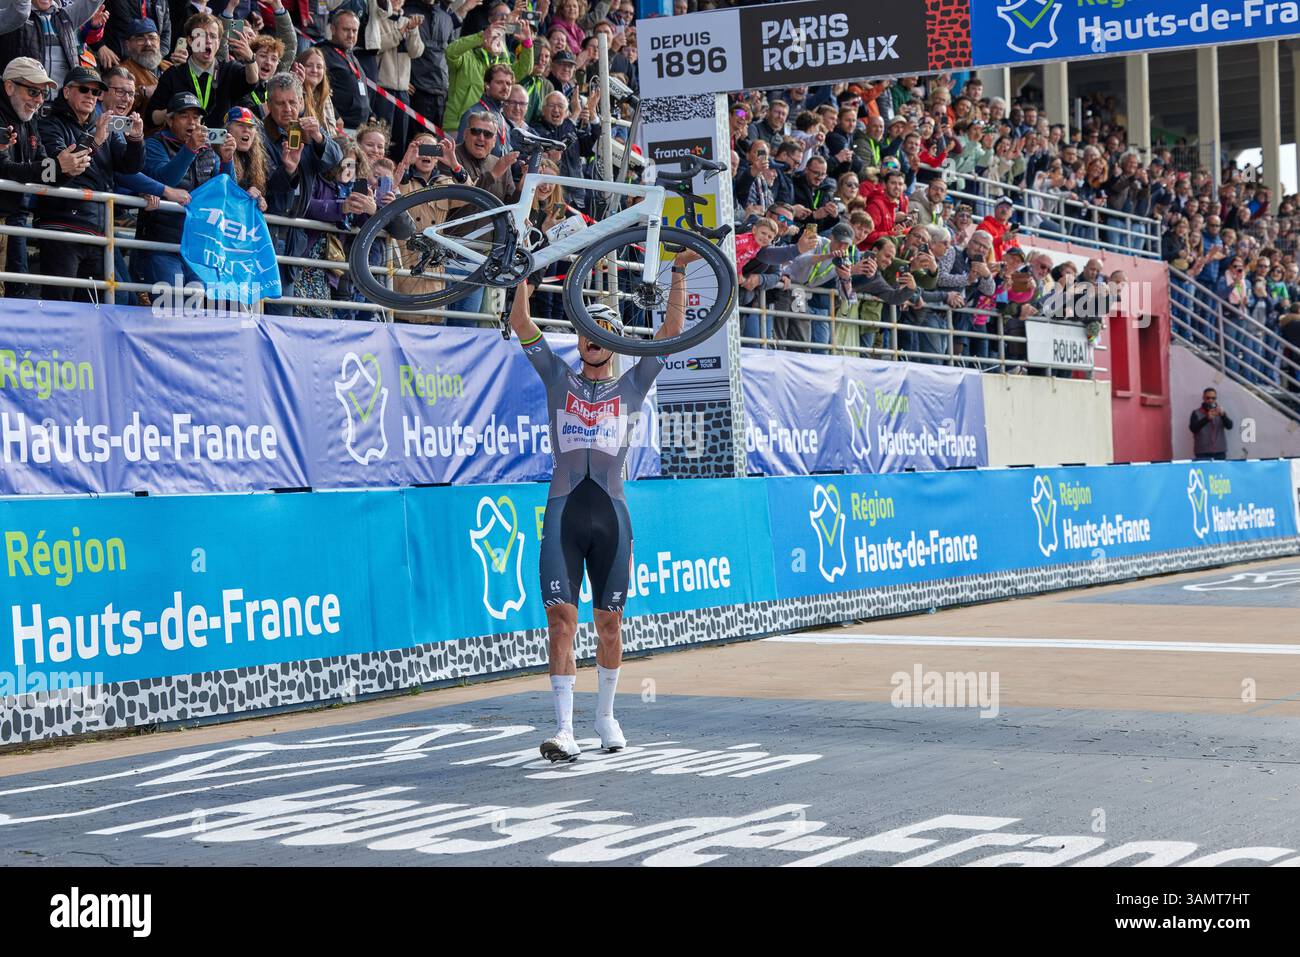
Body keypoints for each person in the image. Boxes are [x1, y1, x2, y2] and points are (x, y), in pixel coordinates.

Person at [507, 257, 689, 763]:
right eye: (588, 330)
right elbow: (522, 323)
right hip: (564, 516)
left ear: (615, 342)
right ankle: (564, 729)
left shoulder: (632, 385)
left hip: (612, 518)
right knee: (561, 622)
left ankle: (606, 715)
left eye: (606, 330)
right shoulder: (557, 376)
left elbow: (672, 330)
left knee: (610, 624)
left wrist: (678, 271)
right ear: (580, 338)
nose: (595, 338)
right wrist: (524, 272)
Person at [35, 65, 145, 300]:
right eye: (84, 89)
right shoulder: (50, 124)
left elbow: (129, 166)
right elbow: (64, 168)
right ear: (66, 92)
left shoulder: (101, 127)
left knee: (95, 308)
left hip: (97, 230)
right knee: (59, 305)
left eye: (96, 93)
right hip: (61, 228)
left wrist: (136, 139)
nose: (91, 96)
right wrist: (95, 141)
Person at [0, 57, 84, 298]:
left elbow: (44, 170)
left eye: (43, 94)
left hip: (13, 217)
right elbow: (6, 170)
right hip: (9, 216)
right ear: (9, 87)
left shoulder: (30, 121)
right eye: (33, 91)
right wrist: (56, 166)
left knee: (18, 293)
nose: (38, 100)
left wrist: (66, 171)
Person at [133, 90, 219, 288]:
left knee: (195, 303)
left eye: (196, 117)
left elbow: (220, 189)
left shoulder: (207, 150)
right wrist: (189, 149)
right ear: (170, 121)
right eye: (184, 116)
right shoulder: (154, 143)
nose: (192, 122)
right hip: (161, 245)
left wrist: (227, 161)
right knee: (170, 305)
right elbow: (166, 179)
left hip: (196, 245)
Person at [147, 12, 258, 128]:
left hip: (219, 144)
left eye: (213, 36)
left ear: (219, 42)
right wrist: (175, 108)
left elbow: (252, 81)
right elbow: (152, 117)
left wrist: (250, 58)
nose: (208, 40)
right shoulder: (173, 74)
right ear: (190, 41)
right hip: (183, 143)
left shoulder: (229, 69)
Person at [0, 0, 103, 97]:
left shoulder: (65, 17)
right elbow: (20, 11)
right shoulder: (13, 15)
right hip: (24, 104)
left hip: (60, 108)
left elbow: (92, 1)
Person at [315, 8, 370, 130]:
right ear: (333, 29)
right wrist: (334, 115)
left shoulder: (350, 55)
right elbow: (315, 89)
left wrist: (370, 114)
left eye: (354, 31)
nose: (351, 35)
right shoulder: (321, 53)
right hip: (338, 128)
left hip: (359, 129)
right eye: (346, 30)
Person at [291, 46, 339, 137]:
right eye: (309, 66)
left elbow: (332, 134)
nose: (314, 70)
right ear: (299, 68)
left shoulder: (325, 96)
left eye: (319, 67)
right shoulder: (293, 92)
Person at [1189, 388, 1233, 460]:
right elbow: (1193, 428)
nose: (1210, 400)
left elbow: (1230, 426)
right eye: (1208, 398)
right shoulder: (1196, 413)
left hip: (1220, 452)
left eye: (1213, 398)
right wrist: (1207, 418)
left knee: (1220, 471)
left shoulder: (1220, 411)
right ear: (1203, 398)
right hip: (1202, 452)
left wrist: (1223, 415)